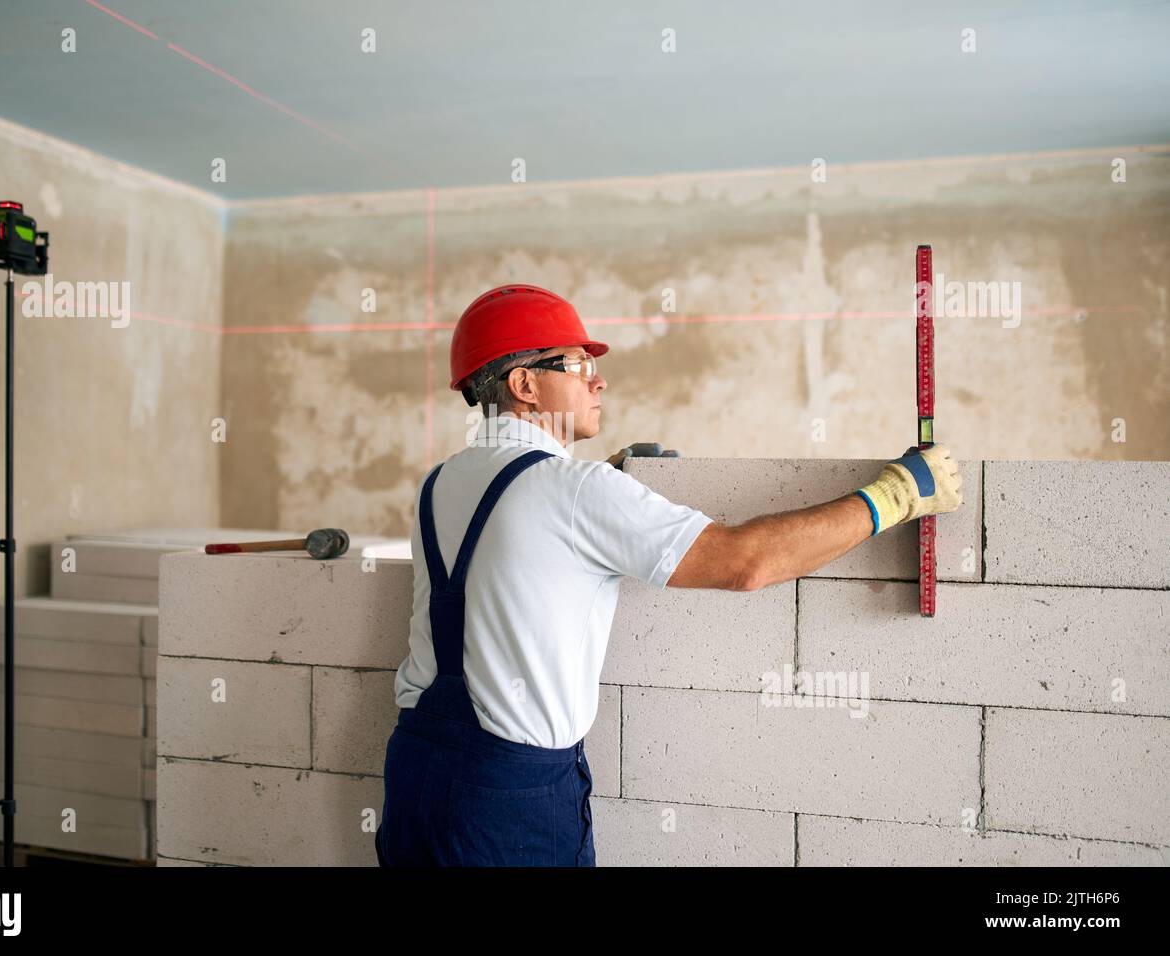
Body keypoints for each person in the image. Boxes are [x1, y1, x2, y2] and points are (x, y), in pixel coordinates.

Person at [375, 283, 962, 866]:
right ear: (525, 385)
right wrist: (895, 495)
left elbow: (520, 542)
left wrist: (609, 491)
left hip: (416, 775)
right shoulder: (577, 491)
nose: (598, 381)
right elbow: (744, 563)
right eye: (577, 364)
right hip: (510, 802)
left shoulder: (439, 483)